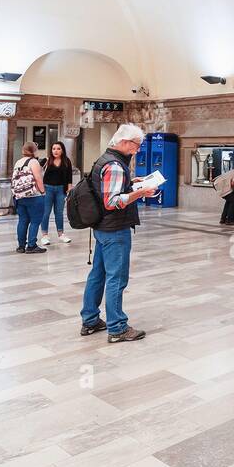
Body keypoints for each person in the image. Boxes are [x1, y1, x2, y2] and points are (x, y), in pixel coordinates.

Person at [80, 124, 157, 343]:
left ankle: (90, 319)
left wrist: (132, 183)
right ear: (125, 142)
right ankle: (117, 327)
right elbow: (113, 201)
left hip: (102, 228)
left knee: (98, 274)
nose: (138, 150)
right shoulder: (115, 166)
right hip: (115, 229)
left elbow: (108, 189)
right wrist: (140, 193)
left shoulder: (105, 159)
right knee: (117, 278)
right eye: (137, 145)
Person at [12, 142, 48, 254]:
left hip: (19, 196)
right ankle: (31, 245)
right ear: (33, 150)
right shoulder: (34, 162)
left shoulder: (18, 162)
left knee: (22, 220)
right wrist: (43, 192)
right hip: (33, 195)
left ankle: (21, 246)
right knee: (35, 220)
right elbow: (38, 179)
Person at [39, 141, 73, 245]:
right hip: (48, 189)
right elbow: (37, 172)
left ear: (62, 150)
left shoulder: (67, 161)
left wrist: (69, 189)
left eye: (58, 149)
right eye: (54, 149)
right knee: (46, 213)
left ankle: (61, 234)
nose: (56, 151)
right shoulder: (47, 160)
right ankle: (44, 235)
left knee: (59, 213)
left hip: (61, 190)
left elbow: (69, 176)